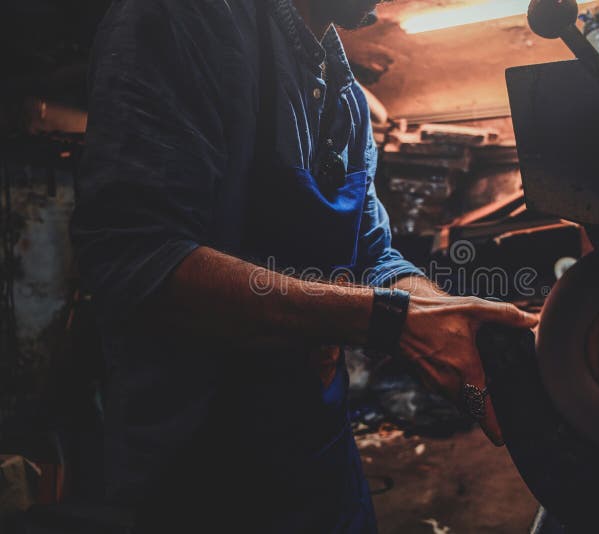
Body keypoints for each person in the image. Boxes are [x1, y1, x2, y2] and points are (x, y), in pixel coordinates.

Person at [70, 0, 538, 531]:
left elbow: (372, 253)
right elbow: (137, 257)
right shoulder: (180, 17)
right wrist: (390, 320)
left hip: (318, 450)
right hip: (203, 471)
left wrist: (450, 314)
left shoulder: (347, 95)